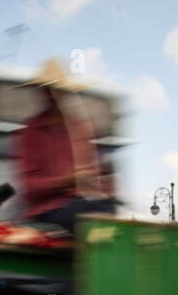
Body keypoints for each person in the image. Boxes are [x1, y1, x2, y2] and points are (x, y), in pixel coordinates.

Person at [13, 58, 116, 232]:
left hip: (80, 204)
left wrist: (99, 181)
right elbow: (30, 188)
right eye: (49, 90)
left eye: (59, 91)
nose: (54, 96)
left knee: (110, 207)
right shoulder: (32, 131)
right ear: (43, 93)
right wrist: (65, 181)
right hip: (47, 210)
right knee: (87, 214)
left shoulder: (80, 127)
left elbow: (95, 174)